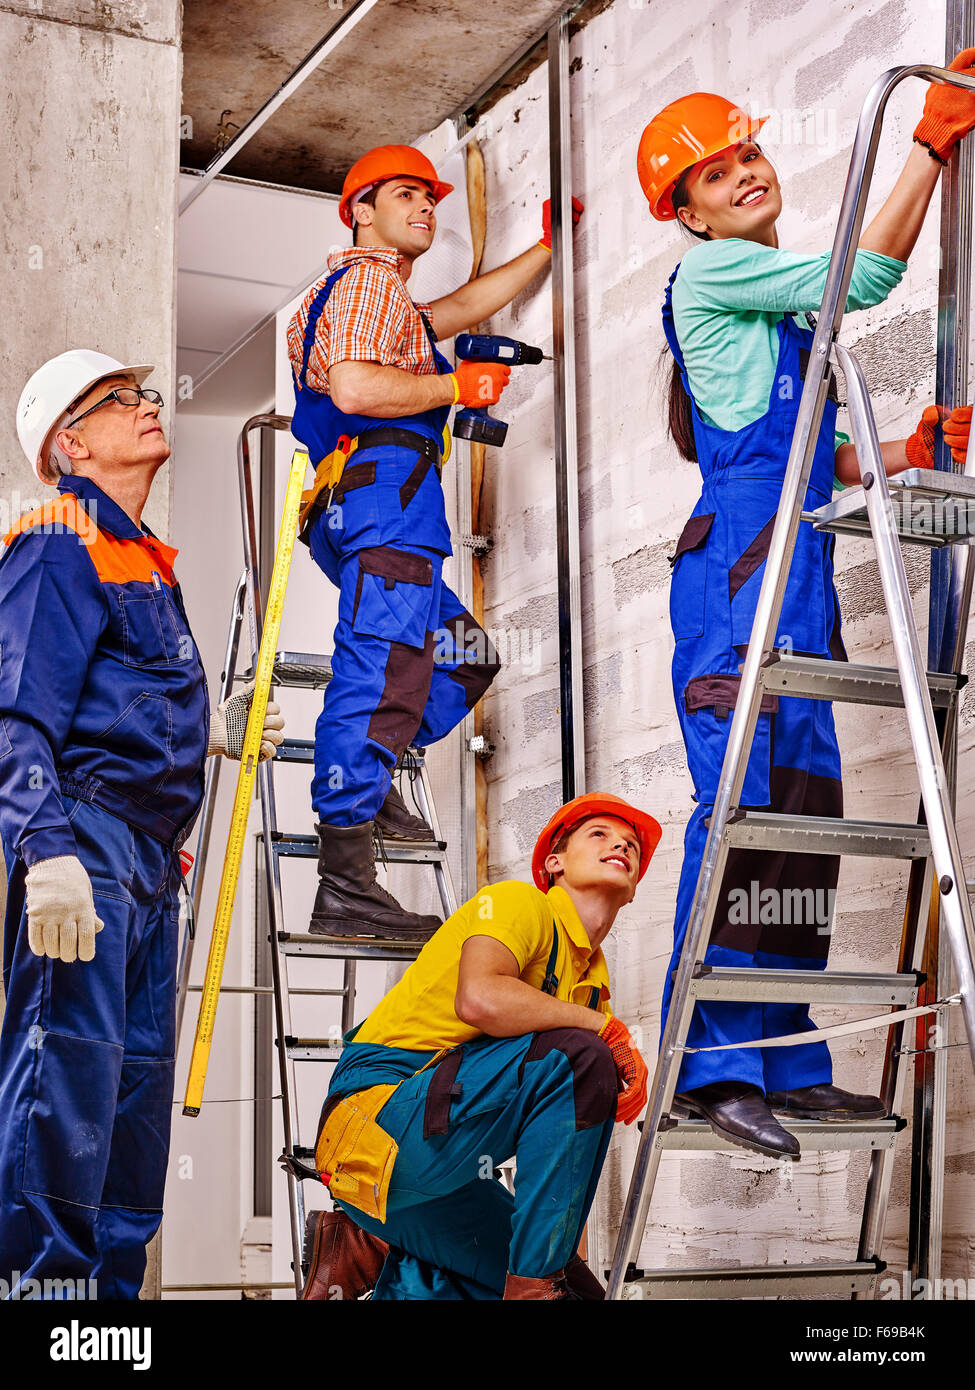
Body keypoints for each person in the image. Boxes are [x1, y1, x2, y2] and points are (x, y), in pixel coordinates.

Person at [638, 69, 975, 1160]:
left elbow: (809, 458)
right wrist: (929, 146)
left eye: (748, 158)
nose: (744, 176)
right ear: (686, 213)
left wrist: (906, 456)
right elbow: (867, 274)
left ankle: (782, 1059)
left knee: (802, 821)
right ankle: (712, 1069)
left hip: (791, 567)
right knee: (740, 812)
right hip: (739, 572)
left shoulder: (765, 299)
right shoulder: (718, 270)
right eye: (716, 173)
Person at [0, 350, 284, 1299]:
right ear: (69, 443)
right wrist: (46, 850)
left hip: (150, 864)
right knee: (64, 1087)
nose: (147, 407)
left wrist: (213, 738)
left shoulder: (140, 559)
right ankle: (45, 1303)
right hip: (87, 847)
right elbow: (17, 710)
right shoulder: (59, 535)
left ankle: (110, 1311)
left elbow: (121, 710)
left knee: (132, 1108)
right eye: (121, 401)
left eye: (146, 394)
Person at [286, 144, 583, 942]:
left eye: (431, 196)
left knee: (461, 655)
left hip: (380, 511)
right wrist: (458, 387)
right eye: (406, 194)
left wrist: (547, 249)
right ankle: (346, 886)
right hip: (384, 507)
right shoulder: (366, 283)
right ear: (360, 211)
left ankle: (371, 774)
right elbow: (353, 387)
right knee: (381, 668)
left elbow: (459, 307)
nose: (426, 207)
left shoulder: (385, 305)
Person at [298, 793, 660, 1300]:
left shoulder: (589, 983)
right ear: (554, 863)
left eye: (631, 847)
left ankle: (365, 1245)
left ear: (635, 888)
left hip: (426, 1180)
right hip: (377, 1121)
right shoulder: (521, 904)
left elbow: (565, 1162)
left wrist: (559, 1264)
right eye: (598, 834)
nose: (620, 845)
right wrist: (604, 1033)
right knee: (579, 1056)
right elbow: (480, 998)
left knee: (571, 1293)